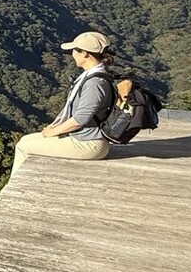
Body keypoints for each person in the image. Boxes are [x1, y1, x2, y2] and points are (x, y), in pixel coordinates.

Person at [13, 31, 116, 172]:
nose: (72, 53)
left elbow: (80, 119)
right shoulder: (93, 75)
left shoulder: (95, 82)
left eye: (75, 50)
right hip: (84, 138)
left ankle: (17, 190)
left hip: (89, 143)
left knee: (23, 148)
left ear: (85, 54)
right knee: (25, 140)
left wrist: (53, 132)